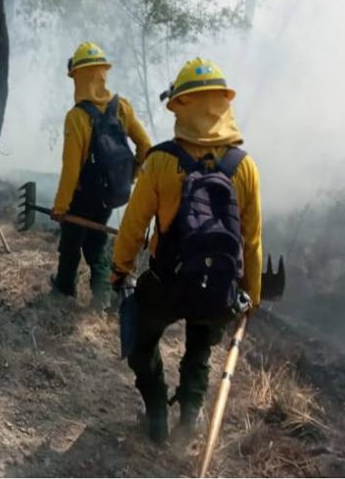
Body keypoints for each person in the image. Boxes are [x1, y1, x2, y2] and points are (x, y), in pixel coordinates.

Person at [111, 57, 262, 445]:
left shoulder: (161, 161)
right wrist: (252, 295)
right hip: (219, 287)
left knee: (141, 346)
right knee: (199, 351)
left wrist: (119, 269)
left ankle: (158, 410)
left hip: (167, 282)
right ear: (223, 105)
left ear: (180, 105)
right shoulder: (245, 167)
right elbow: (252, 241)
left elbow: (132, 225)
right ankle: (189, 419)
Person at [50, 42, 152, 310]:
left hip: (83, 196)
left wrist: (61, 207)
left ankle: (64, 289)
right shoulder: (122, 108)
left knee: (71, 244)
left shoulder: (77, 117)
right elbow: (146, 146)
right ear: (102, 73)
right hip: (109, 195)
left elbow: (71, 170)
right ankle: (101, 298)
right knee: (97, 243)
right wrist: (131, 176)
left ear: (79, 78)